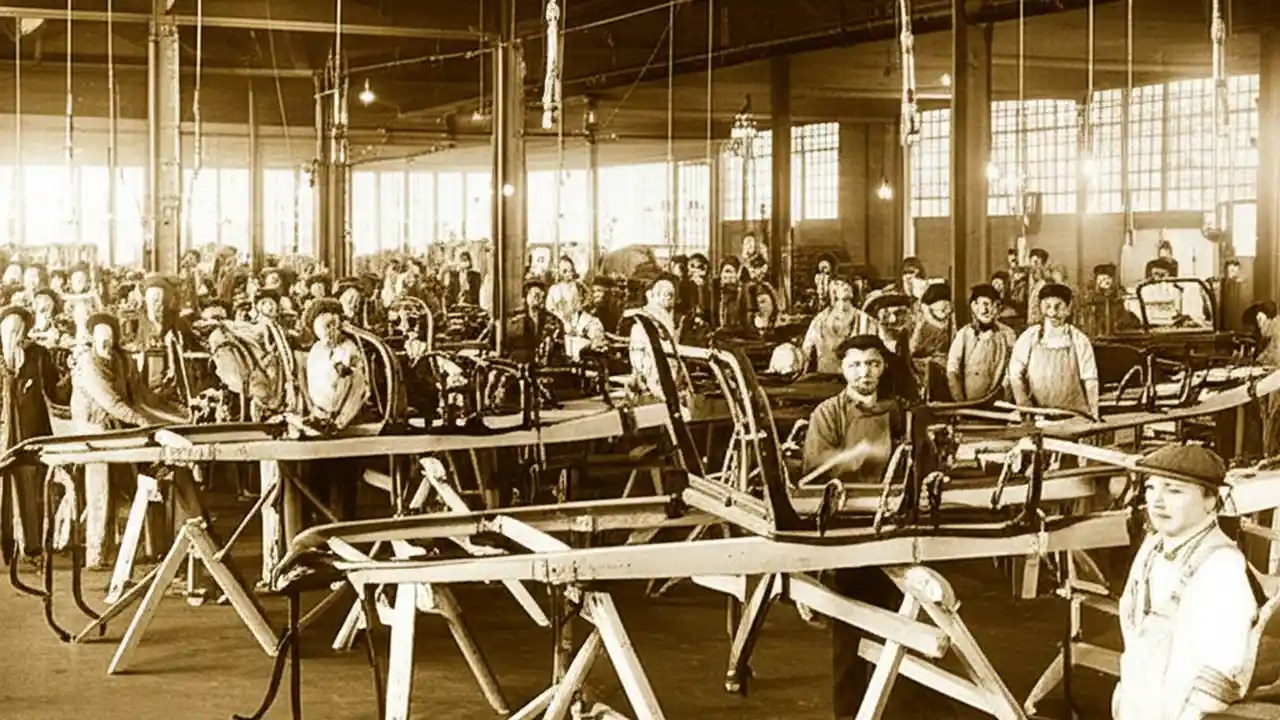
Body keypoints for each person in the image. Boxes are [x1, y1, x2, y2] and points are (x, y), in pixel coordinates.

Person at [802, 335, 923, 719]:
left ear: (883, 367)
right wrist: (857, 457)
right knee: (849, 638)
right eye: (855, 365)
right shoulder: (828, 414)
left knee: (904, 630)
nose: (864, 372)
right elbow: (816, 467)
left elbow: (925, 462)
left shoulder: (903, 413)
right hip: (849, 532)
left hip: (897, 531)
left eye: (872, 363)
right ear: (843, 369)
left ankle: (902, 711)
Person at [1114, 443, 1257, 720]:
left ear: (1210, 501)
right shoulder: (1153, 547)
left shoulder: (1222, 565)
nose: (1157, 501)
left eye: (1174, 490)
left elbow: (1224, 664)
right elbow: (1131, 624)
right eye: (1151, 488)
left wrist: (1190, 714)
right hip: (1140, 701)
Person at [71, 313, 187, 568]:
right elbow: (109, 401)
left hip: (118, 428)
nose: (106, 343)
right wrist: (140, 421)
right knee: (100, 488)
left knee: (129, 486)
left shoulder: (122, 361)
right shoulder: (88, 364)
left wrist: (176, 413)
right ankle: (96, 552)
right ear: (92, 340)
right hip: (94, 430)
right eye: (101, 339)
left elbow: (140, 393)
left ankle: (129, 547)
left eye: (110, 338)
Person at [0, 305, 64, 565]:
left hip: (30, 436)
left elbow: (54, 391)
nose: (13, 334)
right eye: (8, 329)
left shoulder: (38, 355)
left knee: (28, 492)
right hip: (3, 434)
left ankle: (31, 548)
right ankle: (6, 547)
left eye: (18, 329)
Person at [1009, 283, 1099, 418]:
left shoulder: (1079, 340)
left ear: (1068, 309)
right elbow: (1015, 374)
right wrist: (1023, 403)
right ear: (1040, 308)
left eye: (1059, 306)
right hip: (1039, 416)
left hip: (1074, 416)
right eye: (1048, 306)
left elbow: (1090, 380)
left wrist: (1094, 413)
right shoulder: (1030, 337)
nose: (1052, 312)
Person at [946, 283, 1017, 402]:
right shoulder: (964, 334)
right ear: (974, 306)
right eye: (984, 304)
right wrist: (959, 400)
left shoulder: (1007, 334)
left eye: (994, 305)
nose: (987, 310)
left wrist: (1006, 393)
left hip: (997, 402)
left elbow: (1013, 367)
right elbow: (953, 368)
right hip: (967, 403)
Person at [629, 273, 687, 401]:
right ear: (652, 295)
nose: (666, 297)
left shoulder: (679, 323)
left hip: (672, 386)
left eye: (670, 294)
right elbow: (638, 358)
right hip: (651, 384)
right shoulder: (641, 325)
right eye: (662, 293)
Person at [800, 277, 862, 374]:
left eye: (846, 300)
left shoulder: (864, 320)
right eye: (836, 299)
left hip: (855, 379)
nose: (841, 305)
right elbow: (806, 350)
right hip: (824, 377)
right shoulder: (819, 321)